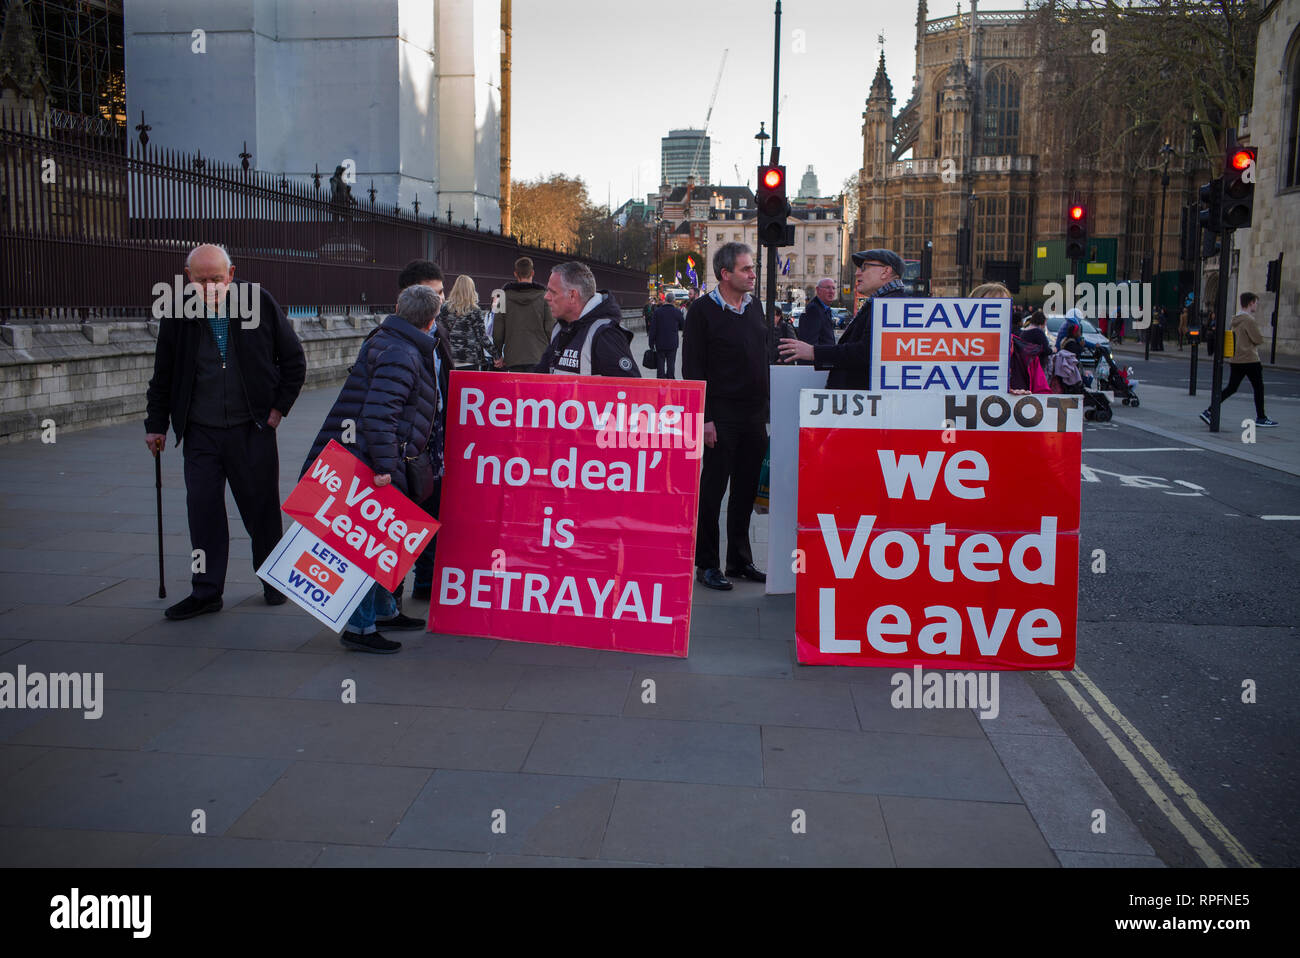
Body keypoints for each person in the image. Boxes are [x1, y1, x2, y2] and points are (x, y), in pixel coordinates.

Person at [145, 244, 306, 621]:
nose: (209, 287)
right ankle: (206, 590)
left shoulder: (259, 302)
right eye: (200, 280)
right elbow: (163, 374)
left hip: (251, 429)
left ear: (231, 275)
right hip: (201, 432)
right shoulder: (177, 312)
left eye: (216, 279)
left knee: (261, 510)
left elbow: (294, 359)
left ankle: (273, 580)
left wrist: (278, 408)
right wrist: (156, 425)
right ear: (188, 279)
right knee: (202, 511)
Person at [301, 284, 447, 653]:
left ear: (398, 307)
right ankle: (360, 627)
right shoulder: (403, 352)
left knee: (385, 538)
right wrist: (384, 467)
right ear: (431, 320)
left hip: (370, 452)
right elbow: (380, 415)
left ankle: (383, 609)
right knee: (369, 544)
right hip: (373, 458)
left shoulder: (390, 338)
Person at [682, 242, 769, 591]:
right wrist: (704, 419)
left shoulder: (755, 307)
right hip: (720, 416)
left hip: (753, 416)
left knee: (745, 492)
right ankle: (707, 564)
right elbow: (693, 368)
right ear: (725, 274)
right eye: (746, 269)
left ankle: (739, 560)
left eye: (752, 269)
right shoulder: (702, 311)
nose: (752, 275)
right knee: (713, 491)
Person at [392, 261, 454, 605]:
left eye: (442, 293)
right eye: (433, 294)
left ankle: (427, 583)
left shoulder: (438, 332)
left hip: (435, 443)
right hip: (406, 448)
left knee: (433, 512)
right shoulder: (392, 341)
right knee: (402, 521)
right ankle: (389, 597)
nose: (440, 301)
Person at [776, 248, 907, 387]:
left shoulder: (892, 304)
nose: (857, 273)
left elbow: (866, 352)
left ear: (885, 271)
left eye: (864, 267)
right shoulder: (881, 302)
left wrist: (814, 352)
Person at [535, 261, 640, 377]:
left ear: (572, 296)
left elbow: (630, 389)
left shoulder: (605, 335)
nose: (546, 297)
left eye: (553, 292)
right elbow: (540, 377)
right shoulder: (560, 329)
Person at [1201, 292, 1277, 428]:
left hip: (1236, 359)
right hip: (1250, 359)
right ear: (1250, 303)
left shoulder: (1235, 319)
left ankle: (1209, 411)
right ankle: (1261, 417)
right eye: (1255, 303)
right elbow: (1258, 339)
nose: (1256, 306)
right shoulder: (1248, 320)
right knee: (1258, 388)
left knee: (1231, 388)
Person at [495, 256, 555, 371]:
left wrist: (498, 354)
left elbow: (497, 331)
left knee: (516, 389)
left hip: (513, 357)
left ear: (515, 274)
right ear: (532, 272)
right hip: (539, 356)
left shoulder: (502, 298)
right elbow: (550, 328)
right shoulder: (544, 297)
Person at [440, 274, 497, 370]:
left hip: (449, 357)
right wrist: (497, 355)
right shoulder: (475, 310)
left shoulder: (445, 308)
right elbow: (482, 338)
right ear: (471, 290)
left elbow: (440, 332)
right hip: (470, 358)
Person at [798, 278, 838, 356]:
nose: (831, 291)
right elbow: (810, 343)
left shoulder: (824, 309)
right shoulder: (813, 310)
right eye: (828, 288)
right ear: (818, 290)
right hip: (816, 364)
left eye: (833, 288)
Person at [649, 295, 686, 379]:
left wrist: (651, 343)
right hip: (672, 342)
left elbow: (653, 329)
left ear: (665, 300)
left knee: (660, 364)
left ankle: (661, 380)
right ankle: (670, 379)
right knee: (671, 364)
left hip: (660, 342)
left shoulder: (658, 312)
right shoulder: (677, 312)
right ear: (673, 301)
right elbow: (683, 325)